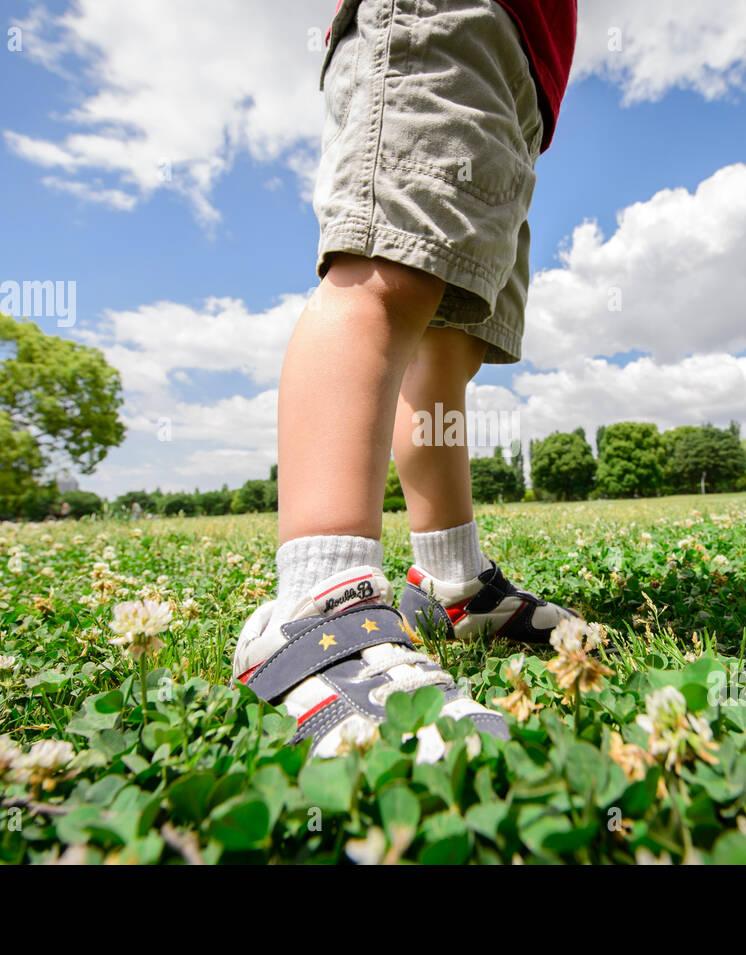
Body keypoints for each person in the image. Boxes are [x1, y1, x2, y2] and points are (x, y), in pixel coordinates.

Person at [233, 0, 580, 758]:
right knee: (387, 271)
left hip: (526, 70)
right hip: (444, 14)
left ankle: (452, 583)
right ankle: (318, 601)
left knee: (451, 336)